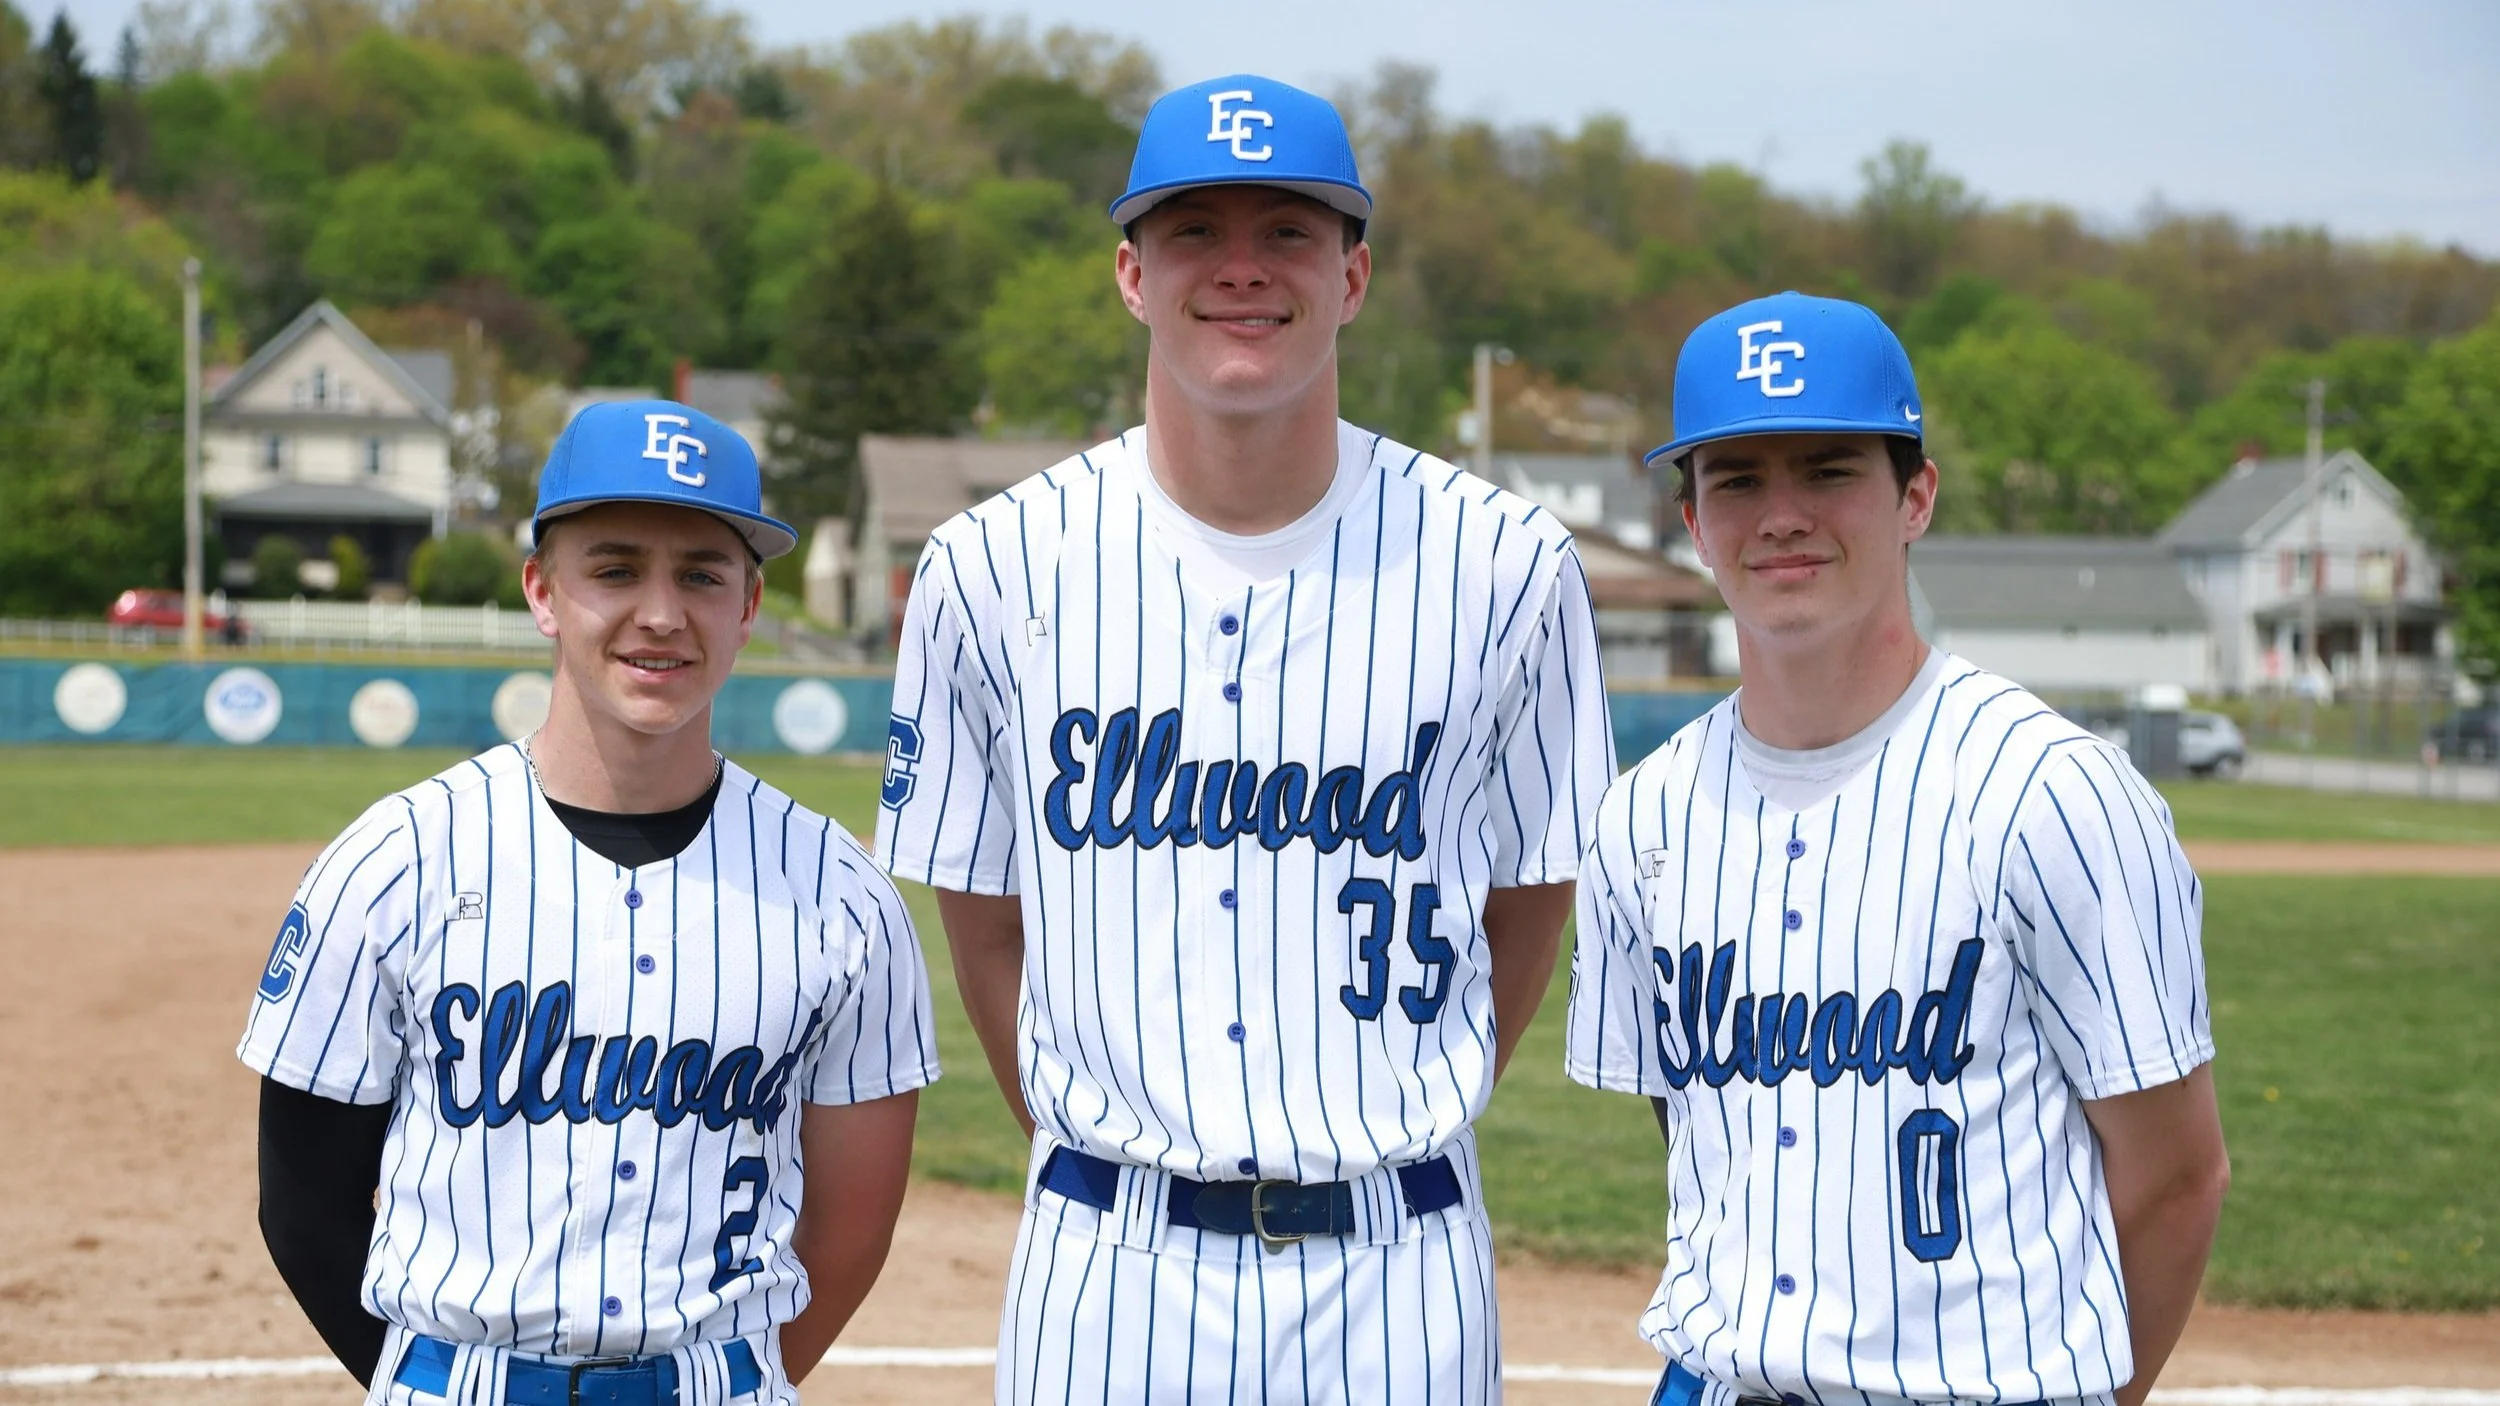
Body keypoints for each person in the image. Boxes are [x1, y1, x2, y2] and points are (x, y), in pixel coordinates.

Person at [875, 73, 1615, 1403]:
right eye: (1193, 230)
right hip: (1110, 1260)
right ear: (1129, 271)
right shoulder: (990, 564)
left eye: (1286, 231)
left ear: (1354, 273)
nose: (1240, 269)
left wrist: (1385, 1109)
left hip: (1399, 1258)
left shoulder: (1507, 563)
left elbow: (1533, 898)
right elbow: (983, 919)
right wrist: (1099, 1139)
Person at [1564, 292, 2230, 1406]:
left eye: (1827, 470)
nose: (1780, 515)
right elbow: (1697, 1128)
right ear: (1691, 520)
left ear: (1914, 495)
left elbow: (2176, 1176)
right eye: (1737, 479)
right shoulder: (1643, 814)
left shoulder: (2049, 789)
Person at [239, 401, 937, 1405]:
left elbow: (852, 1225)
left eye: (702, 573)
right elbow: (304, 1201)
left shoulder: (841, 896)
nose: (661, 611)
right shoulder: (397, 860)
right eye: (614, 569)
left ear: (748, 603)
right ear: (543, 591)